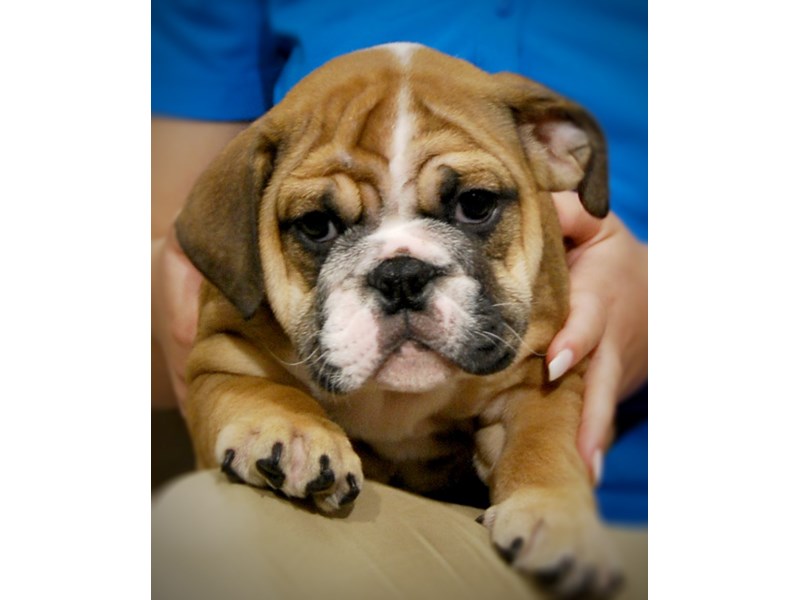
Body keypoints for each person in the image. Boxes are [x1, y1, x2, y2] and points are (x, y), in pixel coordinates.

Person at [152, 0, 647, 523]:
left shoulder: (533, 296)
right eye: (319, 225)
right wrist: (262, 405)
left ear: (559, 147)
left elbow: (530, 392)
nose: (404, 279)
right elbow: (188, 322)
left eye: (474, 206)